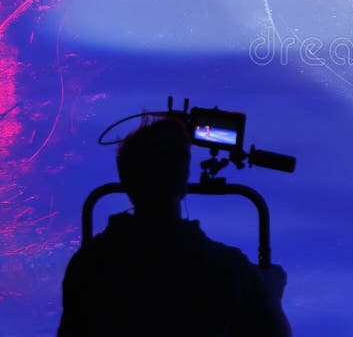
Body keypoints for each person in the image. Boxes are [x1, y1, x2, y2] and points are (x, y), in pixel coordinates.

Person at [58, 118, 292, 337]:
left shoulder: (88, 265)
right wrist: (271, 296)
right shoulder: (229, 269)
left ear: (126, 181)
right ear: (183, 179)